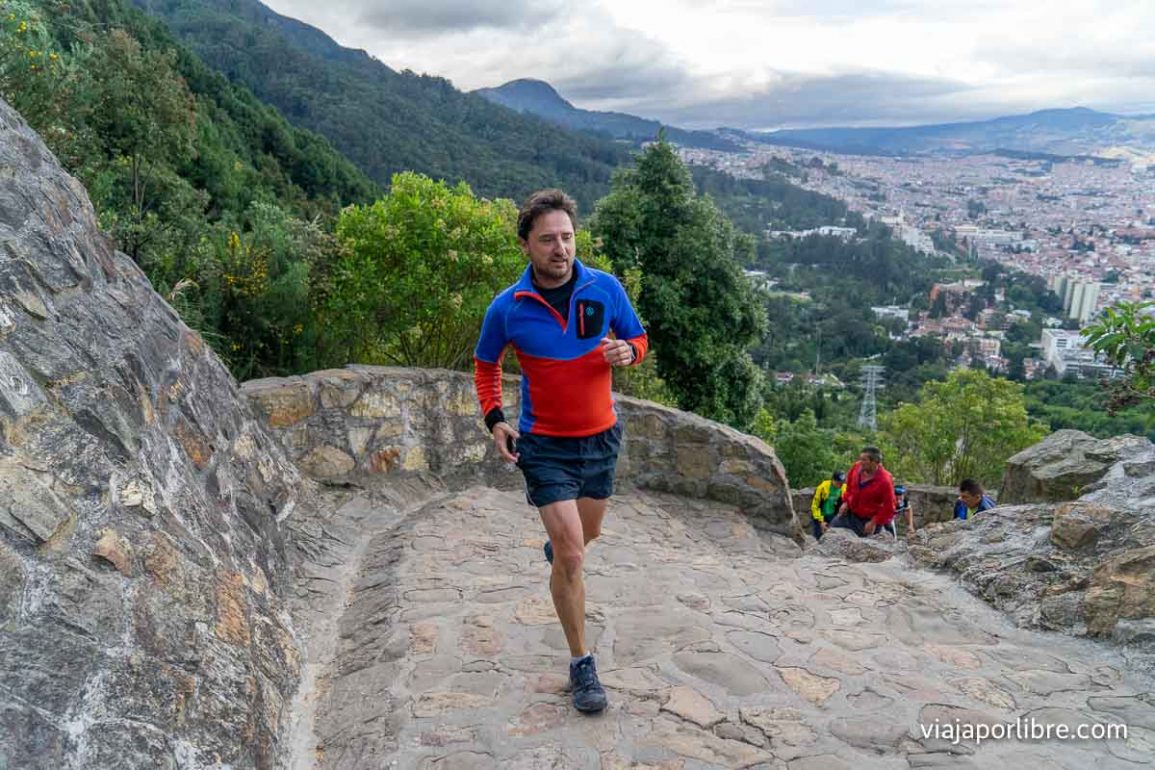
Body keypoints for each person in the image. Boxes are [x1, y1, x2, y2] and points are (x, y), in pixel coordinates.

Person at [473, 189, 648, 714]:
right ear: (527, 244)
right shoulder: (508, 308)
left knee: (586, 535)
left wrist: (629, 352)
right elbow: (486, 366)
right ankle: (582, 665)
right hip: (544, 444)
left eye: (567, 237)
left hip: (601, 438)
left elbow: (638, 339)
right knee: (574, 553)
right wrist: (496, 420)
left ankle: (562, 554)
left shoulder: (605, 288)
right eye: (548, 239)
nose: (560, 248)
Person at [830, 446, 896, 537]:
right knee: (832, 533)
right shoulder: (856, 467)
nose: (861, 463)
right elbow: (849, 487)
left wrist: (874, 522)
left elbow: (889, 507)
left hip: (868, 520)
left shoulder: (885, 481)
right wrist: (846, 502)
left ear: (874, 462)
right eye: (861, 459)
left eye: (864, 460)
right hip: (850, 513)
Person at [809, 470, 846, 541]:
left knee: (833, 538)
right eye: (839, 483)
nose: (840, 485)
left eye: (842, 483)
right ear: (833, 480)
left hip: (833, 516)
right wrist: (821, 522)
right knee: (819, 538)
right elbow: (815, 507)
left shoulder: (844, 488)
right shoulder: (822, 488)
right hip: (820, 515)